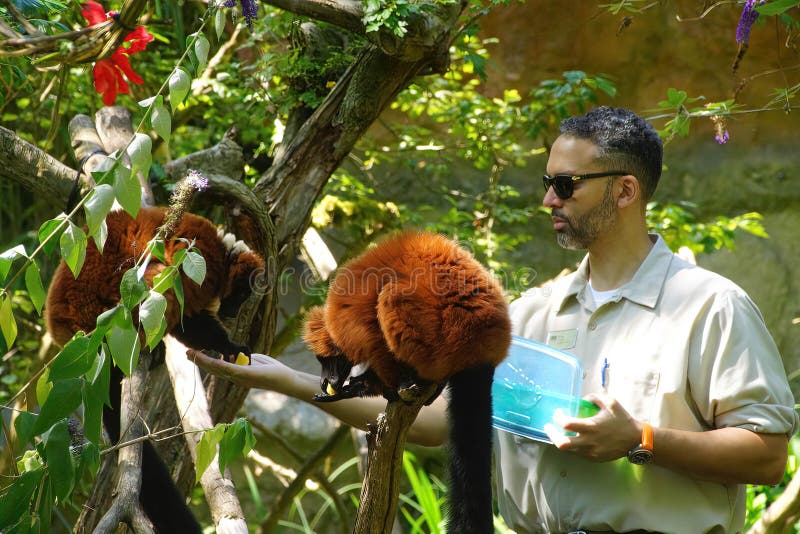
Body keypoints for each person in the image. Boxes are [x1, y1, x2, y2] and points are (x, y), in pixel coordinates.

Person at [189, 106, 798, 533]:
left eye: (565, 184)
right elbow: (429, 422)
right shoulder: (531, 312)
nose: (548, 201)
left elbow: (768, 455)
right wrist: (291, 382)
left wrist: (639, 441)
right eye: (546, 182)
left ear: (625, 191)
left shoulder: (708, 306)